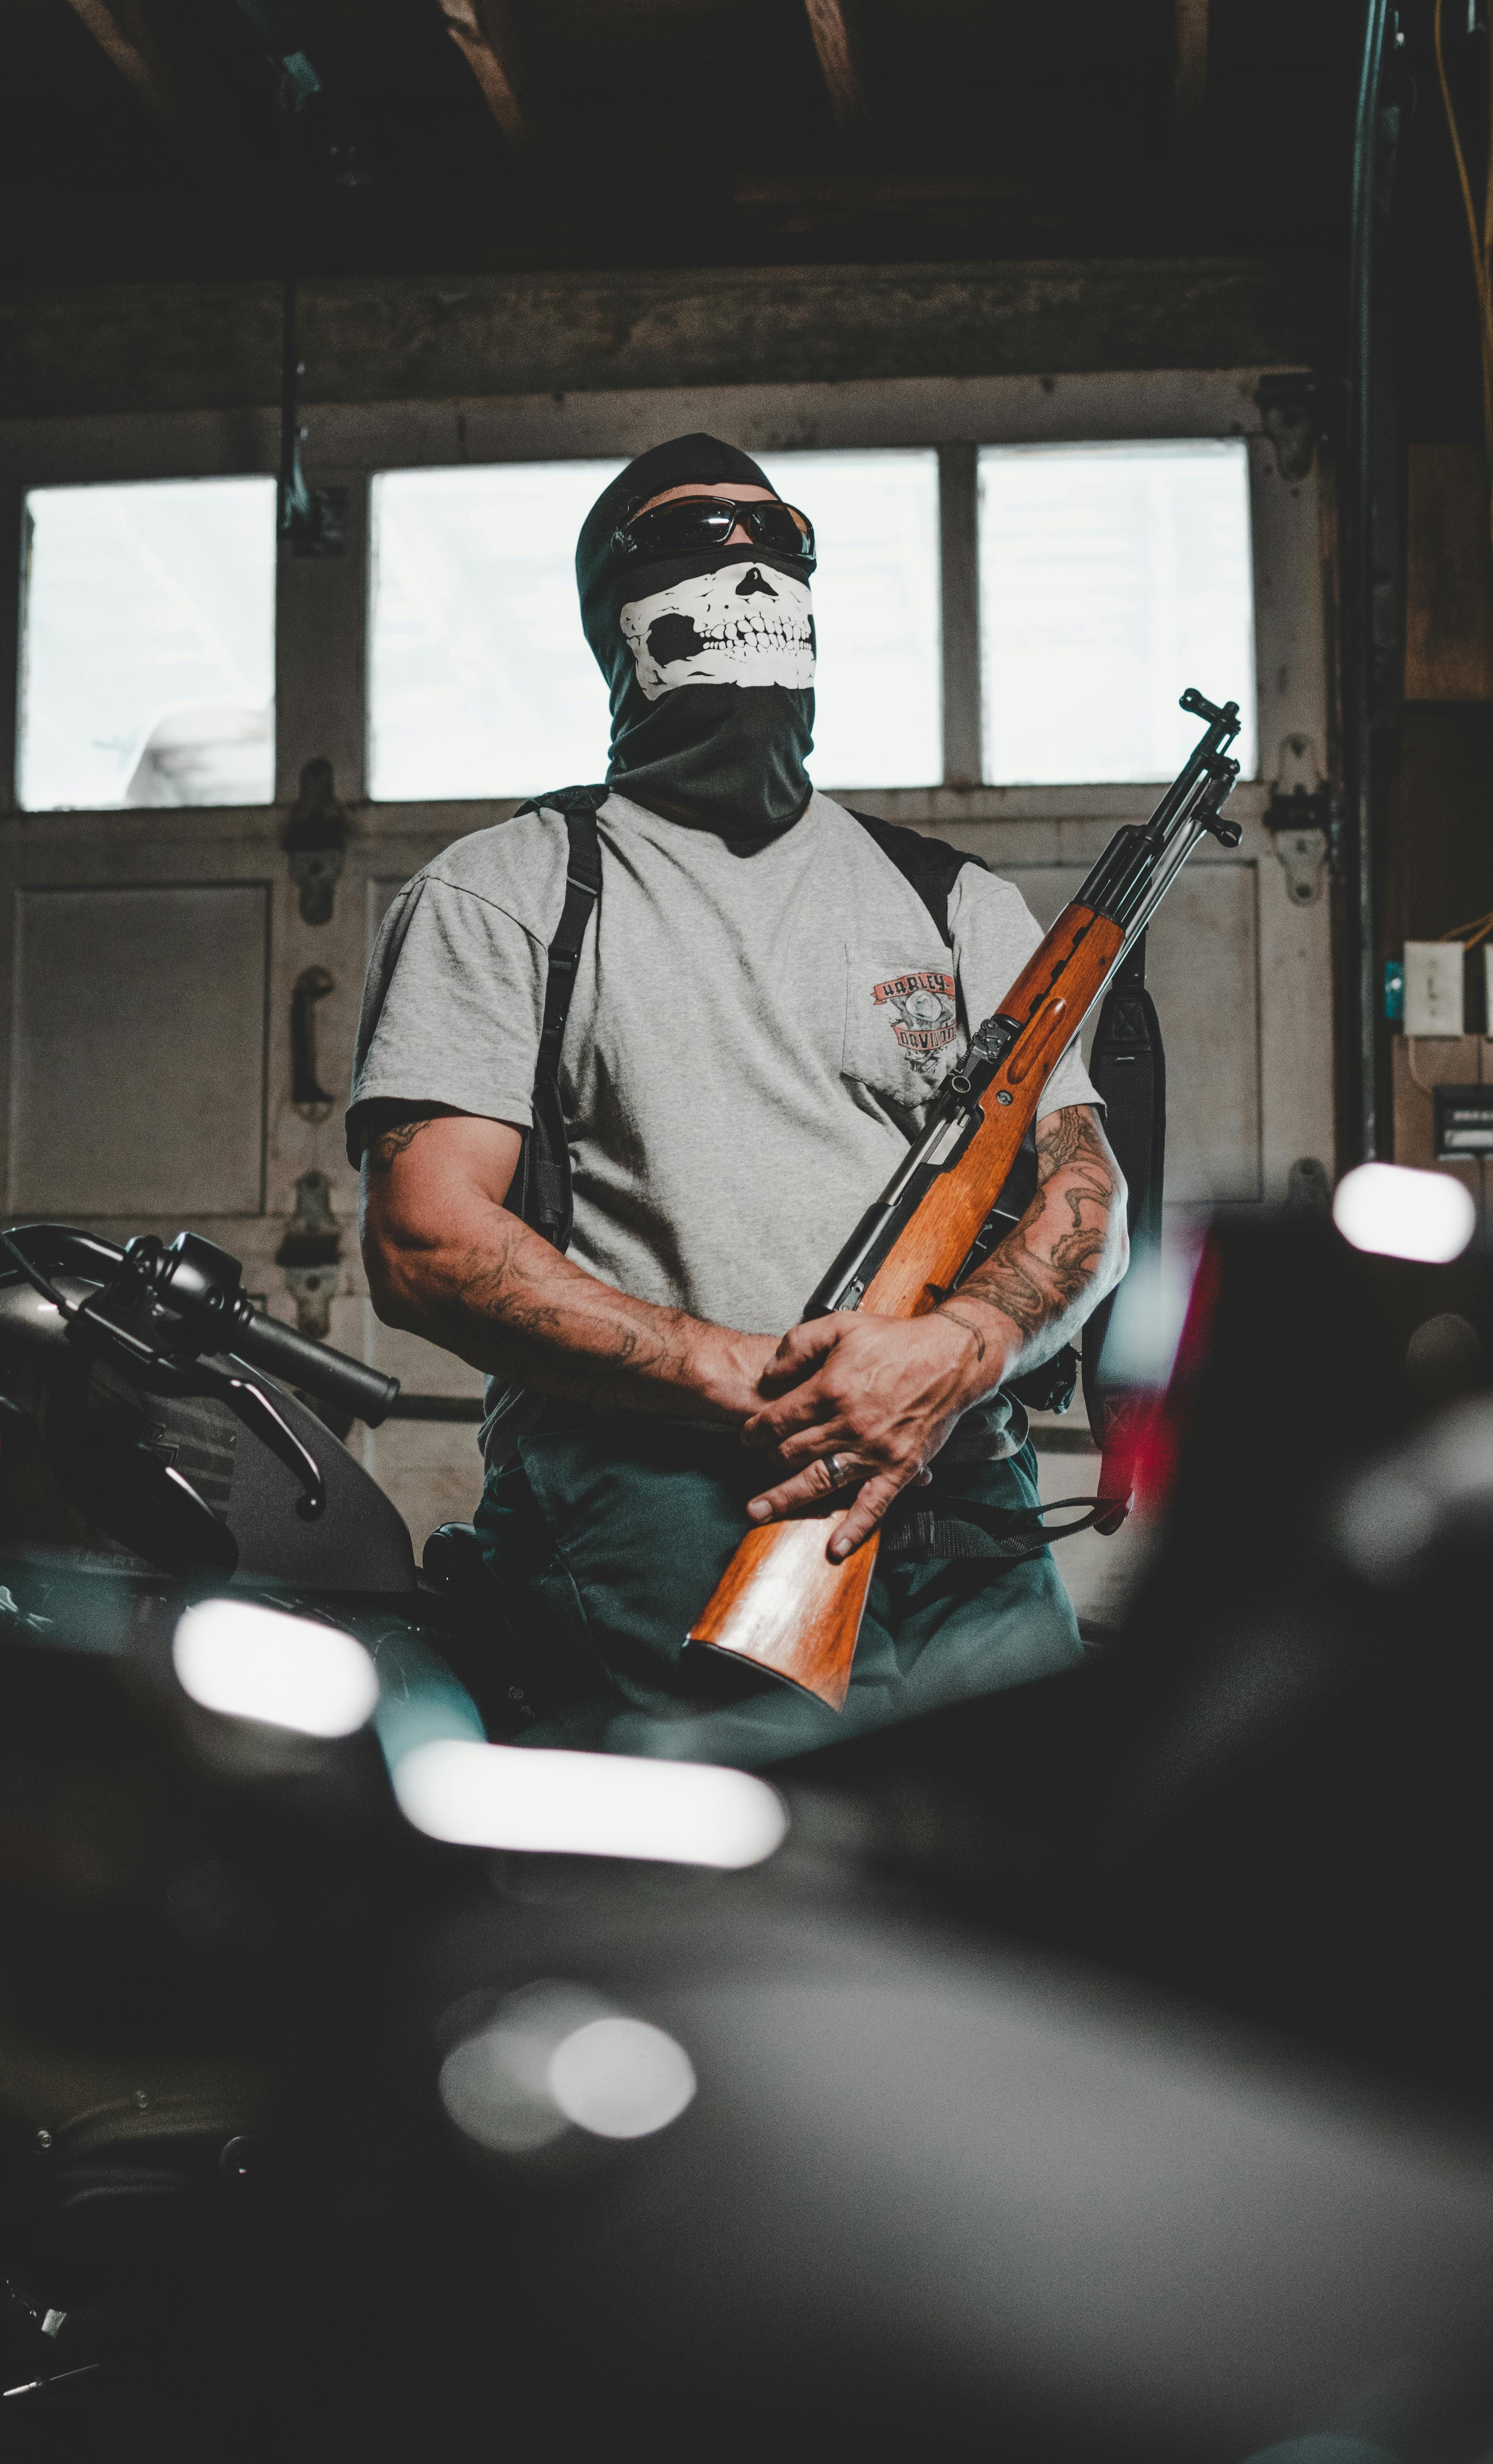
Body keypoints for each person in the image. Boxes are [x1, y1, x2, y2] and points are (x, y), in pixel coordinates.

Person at [348, 434, 1128, 1760]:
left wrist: (959, 1352)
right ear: (616, 615)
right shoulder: (511, 892)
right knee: (766, 1887)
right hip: (652, 1500)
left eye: (778, 545)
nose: (745, 570)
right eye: (689, 542)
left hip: (959, 1479)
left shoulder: (954, 904)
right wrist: (761, 1383)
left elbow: (1084, 1192)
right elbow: (427, 1242)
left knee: (1039, 1857)